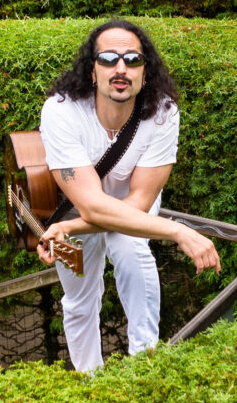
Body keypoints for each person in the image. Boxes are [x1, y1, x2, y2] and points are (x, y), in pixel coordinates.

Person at [36, 20, 219, 372]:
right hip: (79, 204)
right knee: (79, 301)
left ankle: (144, 367)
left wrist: (70, 227)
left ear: (145, 72)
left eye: (133, 59)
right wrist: (179, 231)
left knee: (128, 242)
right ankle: (90, 383)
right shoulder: (60, 111)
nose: (121, 68)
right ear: (92, 71)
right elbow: (90, 202)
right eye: (108, 58)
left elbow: (138, 203)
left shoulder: (163, 112)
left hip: (112, 212)